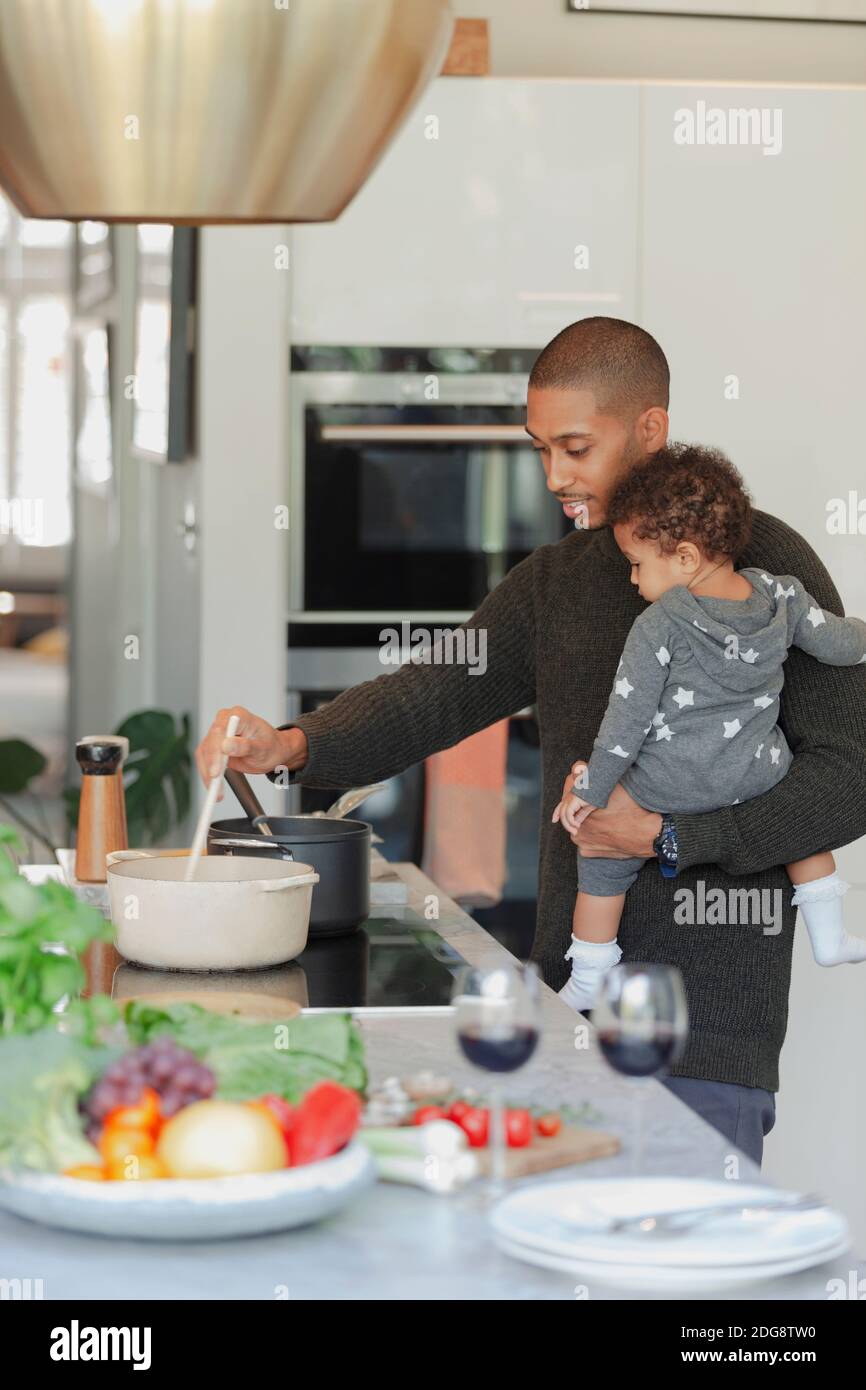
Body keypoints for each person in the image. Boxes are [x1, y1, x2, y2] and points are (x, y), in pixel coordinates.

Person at [197, 317, 866, 1166]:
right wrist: (289, 745)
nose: (555, 476)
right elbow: (434, 692)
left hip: (704, 1033)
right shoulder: (558, 580)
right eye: (540, 448)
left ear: (650, 430)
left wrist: (671, 838)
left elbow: (851, 774)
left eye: (576, 447)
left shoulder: (763, 564)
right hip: (568, 1011)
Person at [553, 443, 866, 1012]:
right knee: (801, 826)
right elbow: (841, 643)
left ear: (687, 558)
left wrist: (589, 792)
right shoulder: (782, 597)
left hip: (669, 783)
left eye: (638, 563)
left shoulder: (659, 625)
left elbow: (624, 726)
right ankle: (829, 934)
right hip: (756, 776)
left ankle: (592, 968)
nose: (631, 577)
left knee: (600, 853)